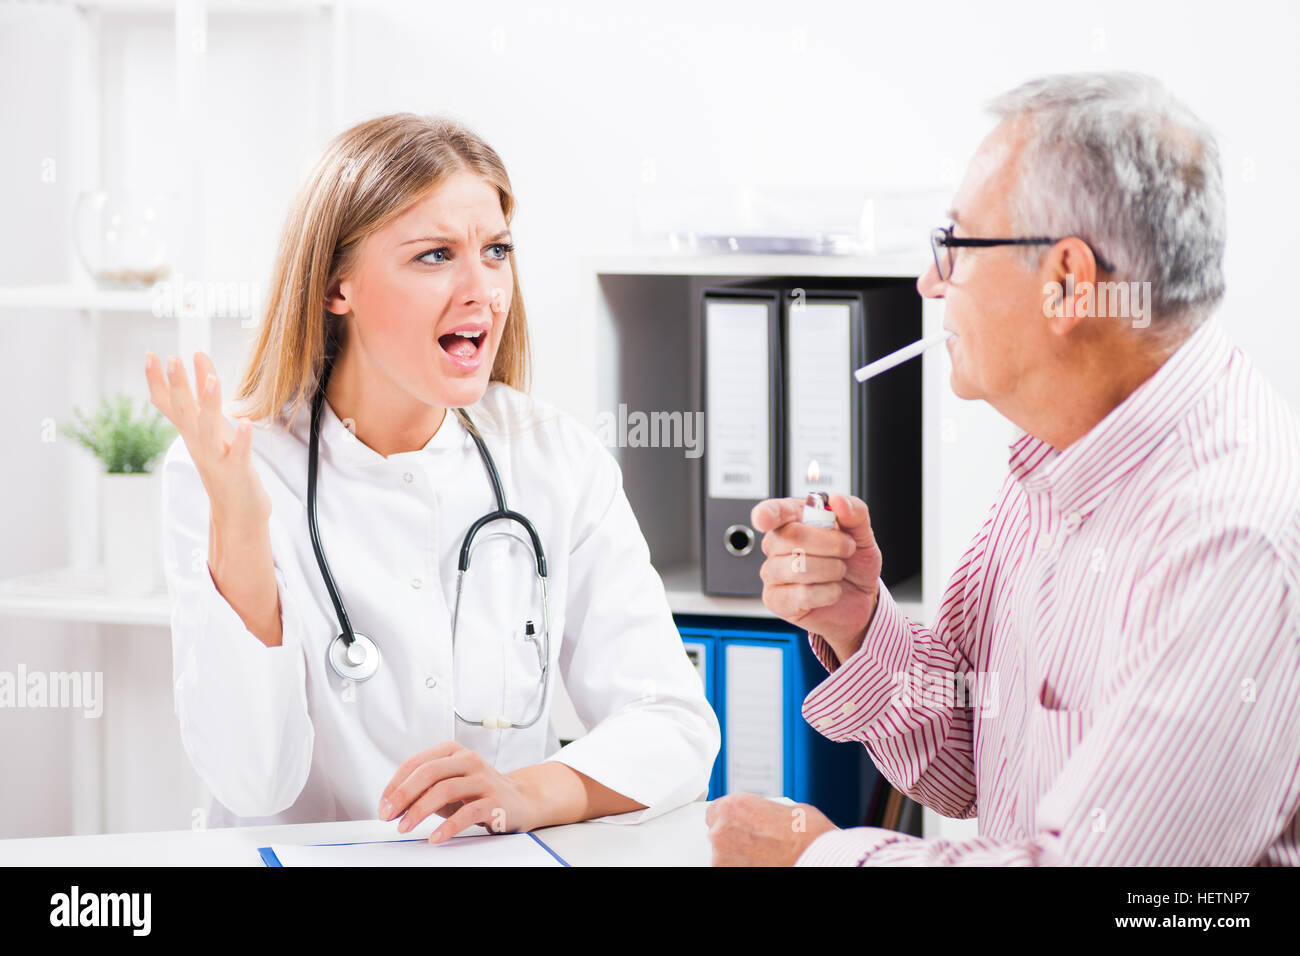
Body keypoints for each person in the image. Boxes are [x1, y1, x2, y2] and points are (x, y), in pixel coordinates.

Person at [707, 72, 1300, 866]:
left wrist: (818, 859)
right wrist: (858, 621)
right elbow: (968, 761)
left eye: (953, 245)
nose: (929, 282)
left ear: (1066, 284)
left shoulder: (1230, 535)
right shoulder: (1070, 446)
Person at [146, 113, 719, 841]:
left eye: (496, 251)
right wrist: (240, 523)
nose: (483, 290)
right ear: (334, 287)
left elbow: (674, 727)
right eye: (435, 256)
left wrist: (527, 791)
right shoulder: (230, 466)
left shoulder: (556, 460)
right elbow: (251, 782)